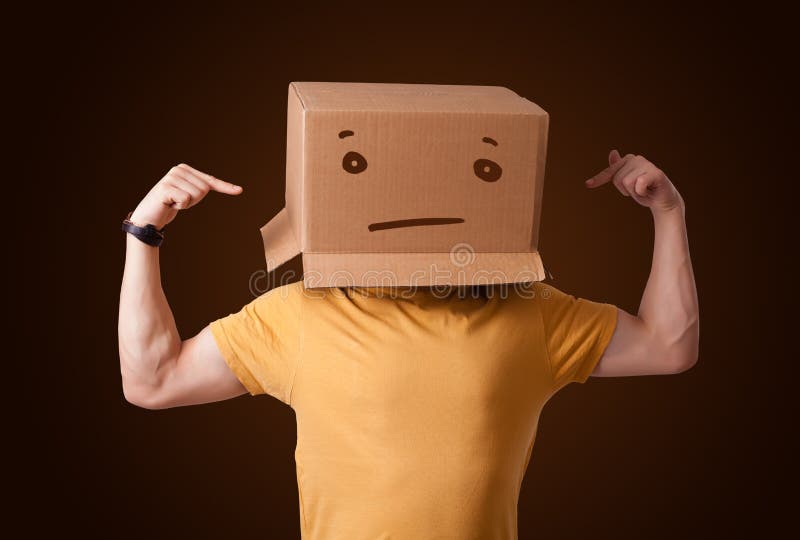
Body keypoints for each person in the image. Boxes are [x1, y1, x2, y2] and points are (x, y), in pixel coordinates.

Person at [118, 149, 699, 539]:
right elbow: (153, 380)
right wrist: (145, 233)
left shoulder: (529, 312)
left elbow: (670, 347)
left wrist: (668, 212)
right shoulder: (302, 312)